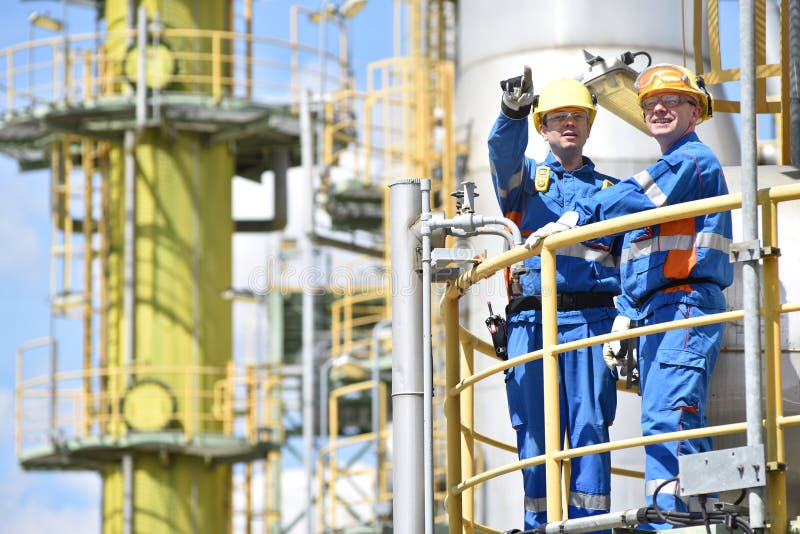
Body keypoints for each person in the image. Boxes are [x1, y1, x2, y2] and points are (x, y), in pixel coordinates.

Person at [527, 63, 734, 516]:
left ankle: (672, 517)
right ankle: (697, 508)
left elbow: (629, 198)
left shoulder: (690, 162)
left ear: (694, 112)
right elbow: (639, 253)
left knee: (669, 416)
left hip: (685, 304)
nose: (659, 109)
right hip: (659, 309)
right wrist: (626, 311)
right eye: (651, 104)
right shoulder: (671, 170)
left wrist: (575, 216)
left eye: (672, 101)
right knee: (678, 414)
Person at [489, 66, 620, 532]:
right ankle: (537, 526)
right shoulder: (523, 184)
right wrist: (511, 114)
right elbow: (502, 154)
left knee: (588, 430)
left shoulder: (611, 192)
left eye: (578, 116)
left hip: (592, 322)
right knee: (535, 437)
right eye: (557, 117)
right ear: (541, 128)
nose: (569, 123)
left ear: (589, 125)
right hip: (530, 324)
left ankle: (591, 526)